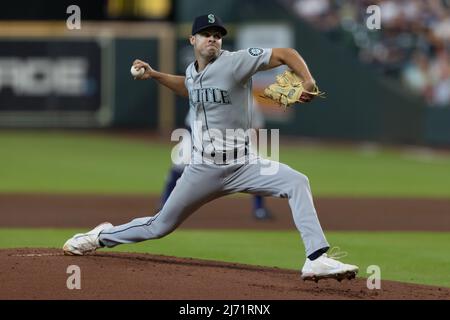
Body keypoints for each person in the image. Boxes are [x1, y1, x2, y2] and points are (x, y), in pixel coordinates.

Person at [63, 14, 358, 282]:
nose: (213, 38)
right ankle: (99, 237)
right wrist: (155, 75)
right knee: (159, 226)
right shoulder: (192, 71)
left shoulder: (236, 62)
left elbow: (285, 54)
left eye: (217, 34)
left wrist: (307, 80)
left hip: (244, 164)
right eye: (206, 34)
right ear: (193, 40)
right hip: (203, 168)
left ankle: (316, 259)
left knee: (297, 181)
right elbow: (188, 87)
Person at [160, 105, 273, 220]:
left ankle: (259, 208)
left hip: (235, 137)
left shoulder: (249, 102)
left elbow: (256, 127)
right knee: (180, 162)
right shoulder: (203, 92)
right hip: (198, 135)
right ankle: (164, 204)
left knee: (257, 165)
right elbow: (191, 123)